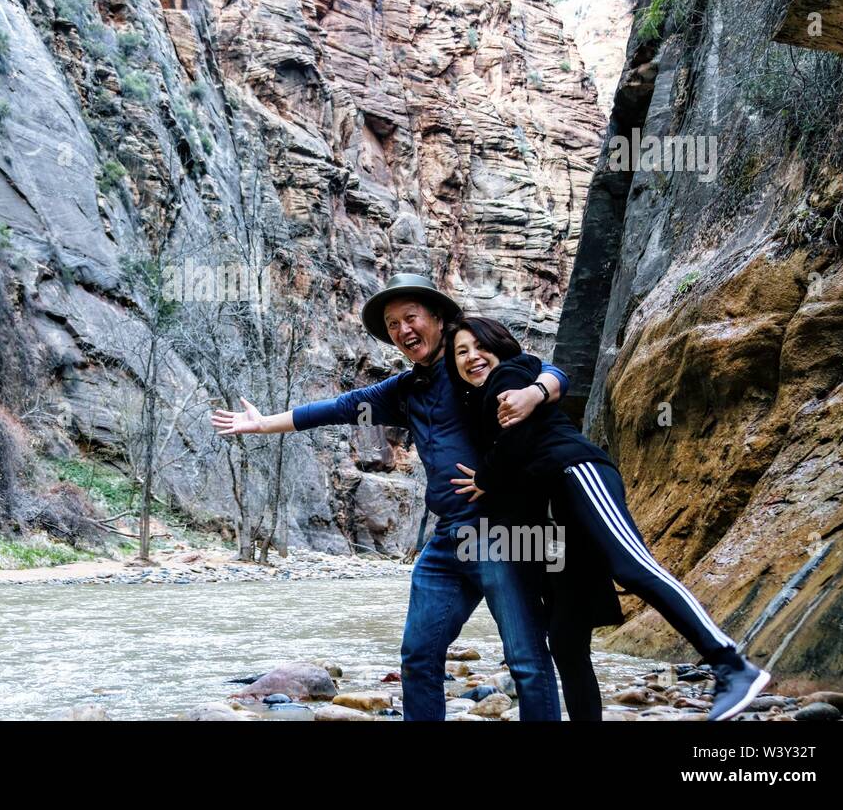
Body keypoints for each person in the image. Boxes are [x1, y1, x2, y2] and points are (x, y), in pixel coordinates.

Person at [210, 273, 571, 721]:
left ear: (438, 319)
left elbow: (547, 369)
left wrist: (537, 392)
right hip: (446, 543)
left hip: (500, 533)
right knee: (419, 658)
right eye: (393, 323)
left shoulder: (472, 367)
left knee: (527, 663)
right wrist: (264, 424)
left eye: (411, 317)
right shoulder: (404, 390)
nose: (402, 330)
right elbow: (342, 407)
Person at [444, 315, 772, 721]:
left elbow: (517, 441)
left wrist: (488, 477)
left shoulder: (509, 374)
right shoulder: (477, 403)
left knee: (632, 566)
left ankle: (731, 665)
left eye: (480, 347)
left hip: (575, 473)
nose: (473, 357)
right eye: (461, 352)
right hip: (554, 523)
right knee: (565, 639)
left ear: (501, 347)